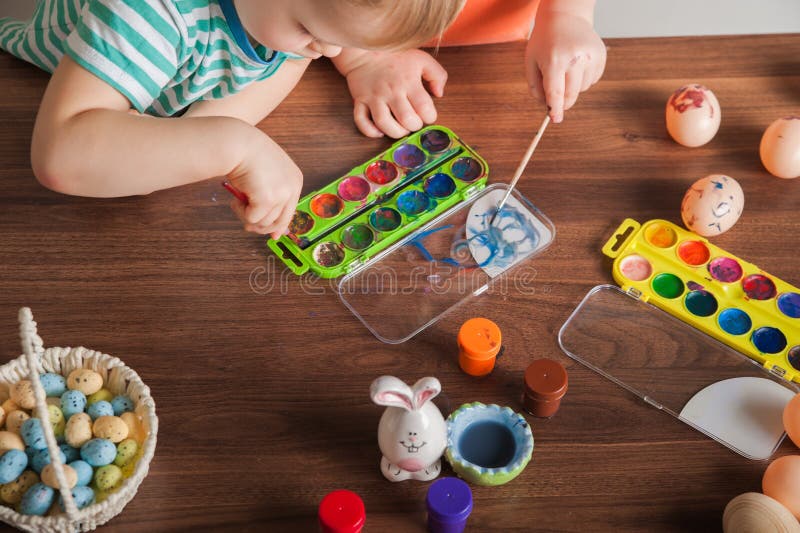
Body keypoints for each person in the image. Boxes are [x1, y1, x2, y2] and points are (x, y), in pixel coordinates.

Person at [0, 0, 605, 237]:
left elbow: (301, 36)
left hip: (192, 84)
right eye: (315, 34)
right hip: (84, 94)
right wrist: (233, 145)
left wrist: (362, 55)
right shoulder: (148, 12)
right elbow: (63, 155)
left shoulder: (283, 16)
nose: (316, 51)